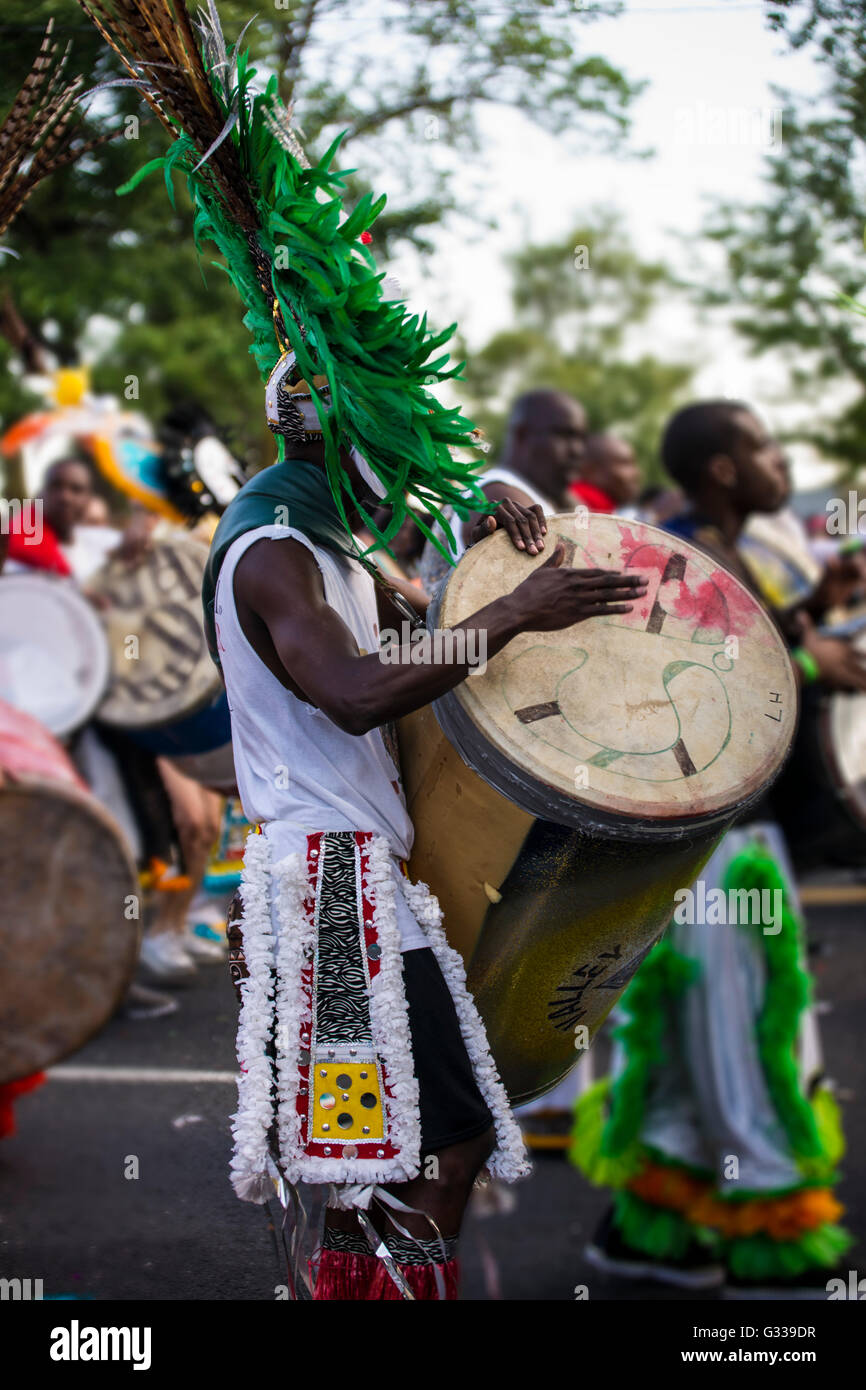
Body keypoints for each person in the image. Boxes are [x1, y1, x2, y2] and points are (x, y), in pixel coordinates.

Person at [572, 399, 856, 1298]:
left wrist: (817, 615)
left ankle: (653, 1233)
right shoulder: (684, 559)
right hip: (717, 844)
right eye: (765, 446)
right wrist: (816, 664)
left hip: (705, 845)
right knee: (751, 1034)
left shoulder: (716, 552)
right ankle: (769, 1232)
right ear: (725, 468)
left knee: (695, 1036)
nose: (781, 460)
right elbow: (701, 692)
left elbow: (757, 650)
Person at [571, 432, 641, 515]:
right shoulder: (581, 509)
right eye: (625, 463)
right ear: (590, 470)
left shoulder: (605, 509)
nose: (636, 473)